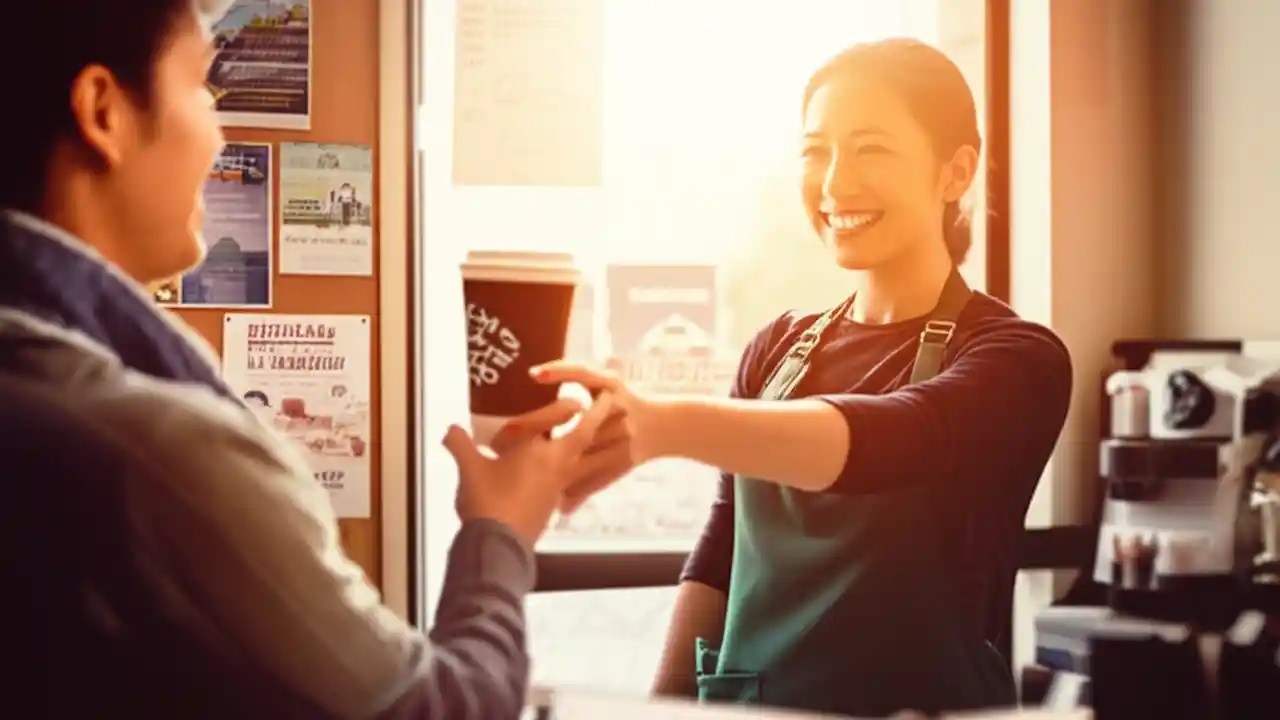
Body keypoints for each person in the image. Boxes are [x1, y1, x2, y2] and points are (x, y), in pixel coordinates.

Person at [0, 1, 614, 717]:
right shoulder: (159, 457)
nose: (219, 135)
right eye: (202, 85)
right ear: (103, 111)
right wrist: (500, 529)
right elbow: (444, 708)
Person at [532, 39, 1073, 717]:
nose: (836, 183)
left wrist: (665, 424)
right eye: (816, 151)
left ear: (955, 172)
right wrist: (663, 709)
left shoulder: (1018, 360)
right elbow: (723, 552)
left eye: (871, 149)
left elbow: (897, 436)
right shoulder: (777, 348)